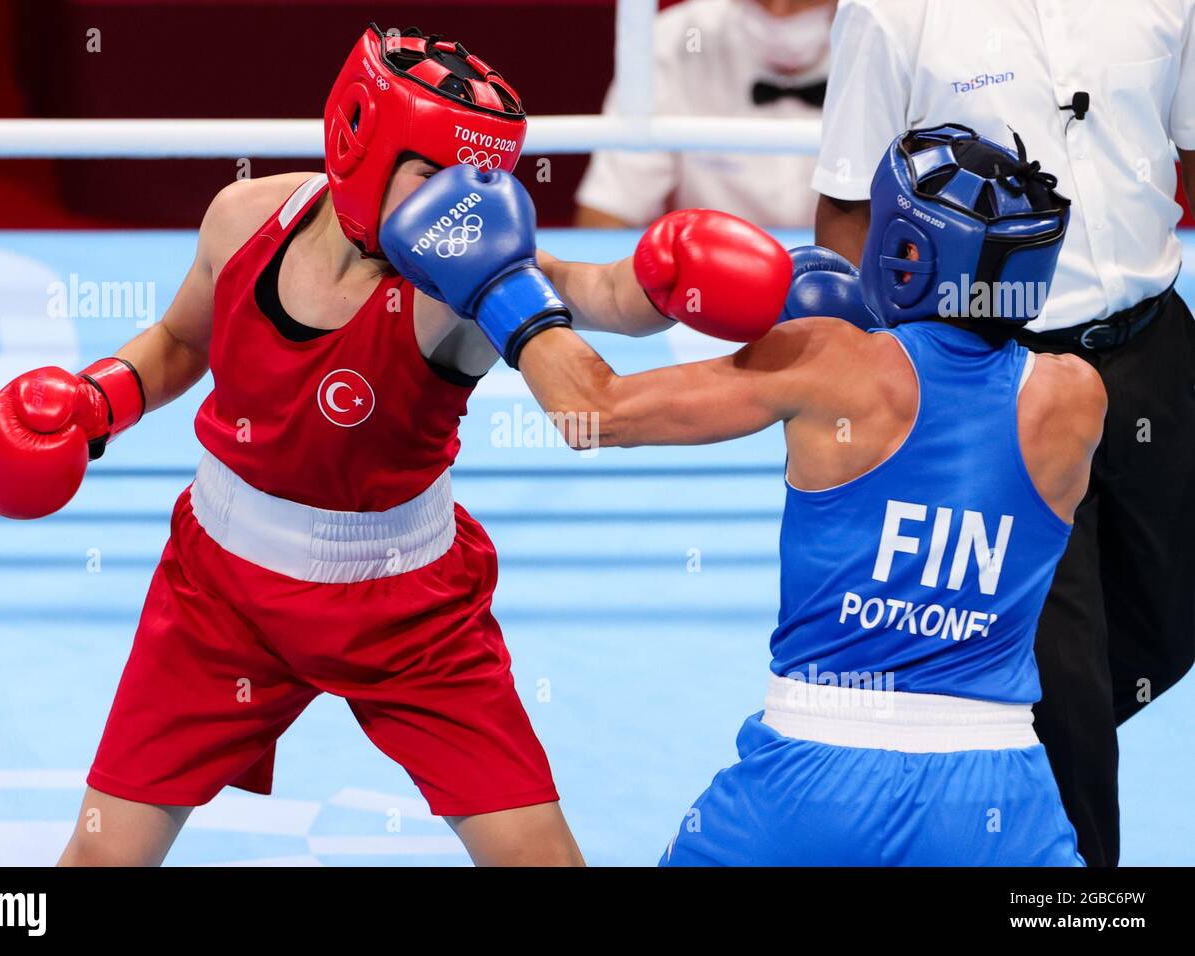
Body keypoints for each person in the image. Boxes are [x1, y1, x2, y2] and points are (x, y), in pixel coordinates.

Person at [0, 23, 682, 868]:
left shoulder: (458, 285)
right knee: (99, 860)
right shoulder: (245, 217)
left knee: (541, 860)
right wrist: (101, 398)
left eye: (475, 180)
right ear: (361, 140)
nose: (452, 207)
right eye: (431, 175)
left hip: (408, 612)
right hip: (219, 594)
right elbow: (182, 342)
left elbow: (597, 291)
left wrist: (684, 276)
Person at [382, 123, 1104, 865]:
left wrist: (505, 287)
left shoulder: (828, 361)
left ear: (906, 253)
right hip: (997, 795)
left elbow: (592, 412)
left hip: (813, 776)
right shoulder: (1075, 400)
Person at [811, 0, 1195, 867]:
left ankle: (988, 733)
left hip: (1153, 355)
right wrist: (898, 394)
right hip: (994, 384)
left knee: (1160, 637)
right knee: (1064, 704)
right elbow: (846, 215)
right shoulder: (889, 12)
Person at [575, 0, 834, 230]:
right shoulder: (675, 38)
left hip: (850, 272)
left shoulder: (873, 42)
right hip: (706, 275)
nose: (779, 10)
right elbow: (611, 209)